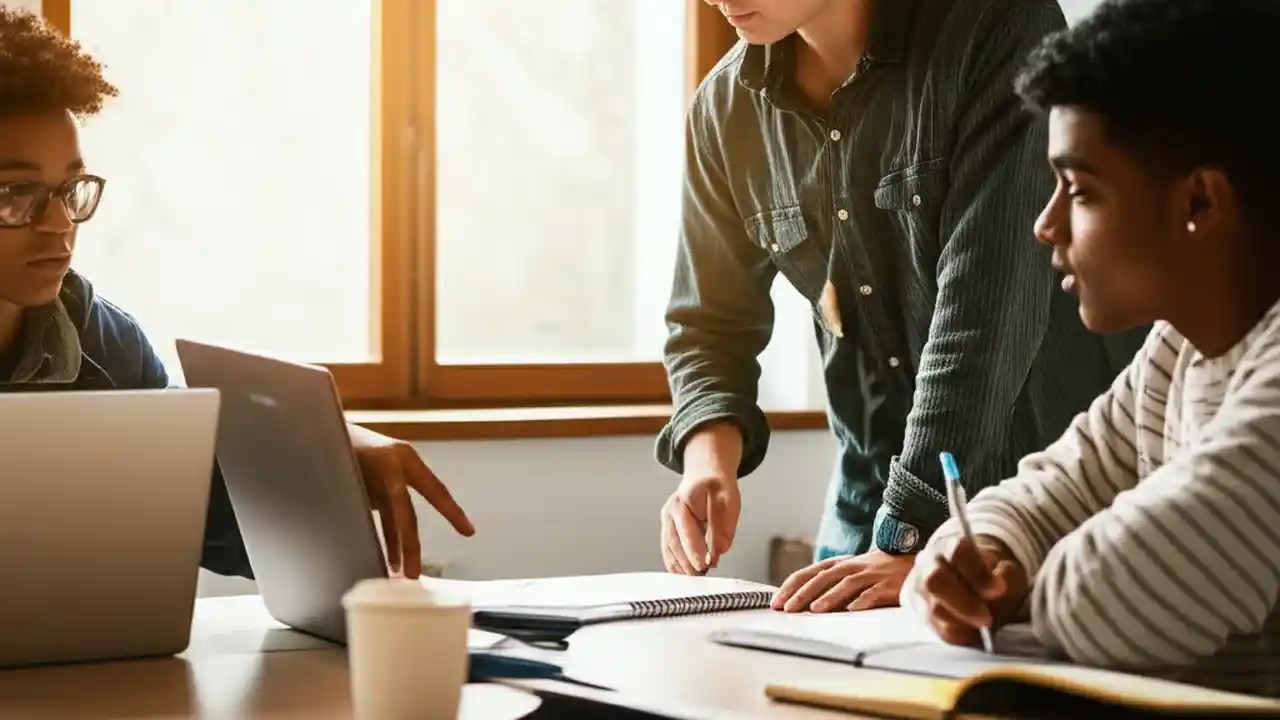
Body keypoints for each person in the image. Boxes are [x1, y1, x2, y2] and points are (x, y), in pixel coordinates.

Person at [657, 0, 1145, 612]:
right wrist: (708, 463)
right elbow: (708, 322)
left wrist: (912, 533)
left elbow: (985, 306)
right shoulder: (724, 109)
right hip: (870, 492)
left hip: (1047, 486)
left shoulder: (999, 25)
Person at [0, 8, 472, 580]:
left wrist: (330, 457)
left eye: (71, 189)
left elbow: (215, 518)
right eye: (15, 193)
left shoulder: (103, 344)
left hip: (87, 668)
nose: (59, 223)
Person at [902, 0, 1280, 695]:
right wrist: (977, 550)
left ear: (1199, 203)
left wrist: (1015, 591)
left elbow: (1118, 597)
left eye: (1078, 189)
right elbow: (1053, 488)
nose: (1045, 225)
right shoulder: (1177, 351)